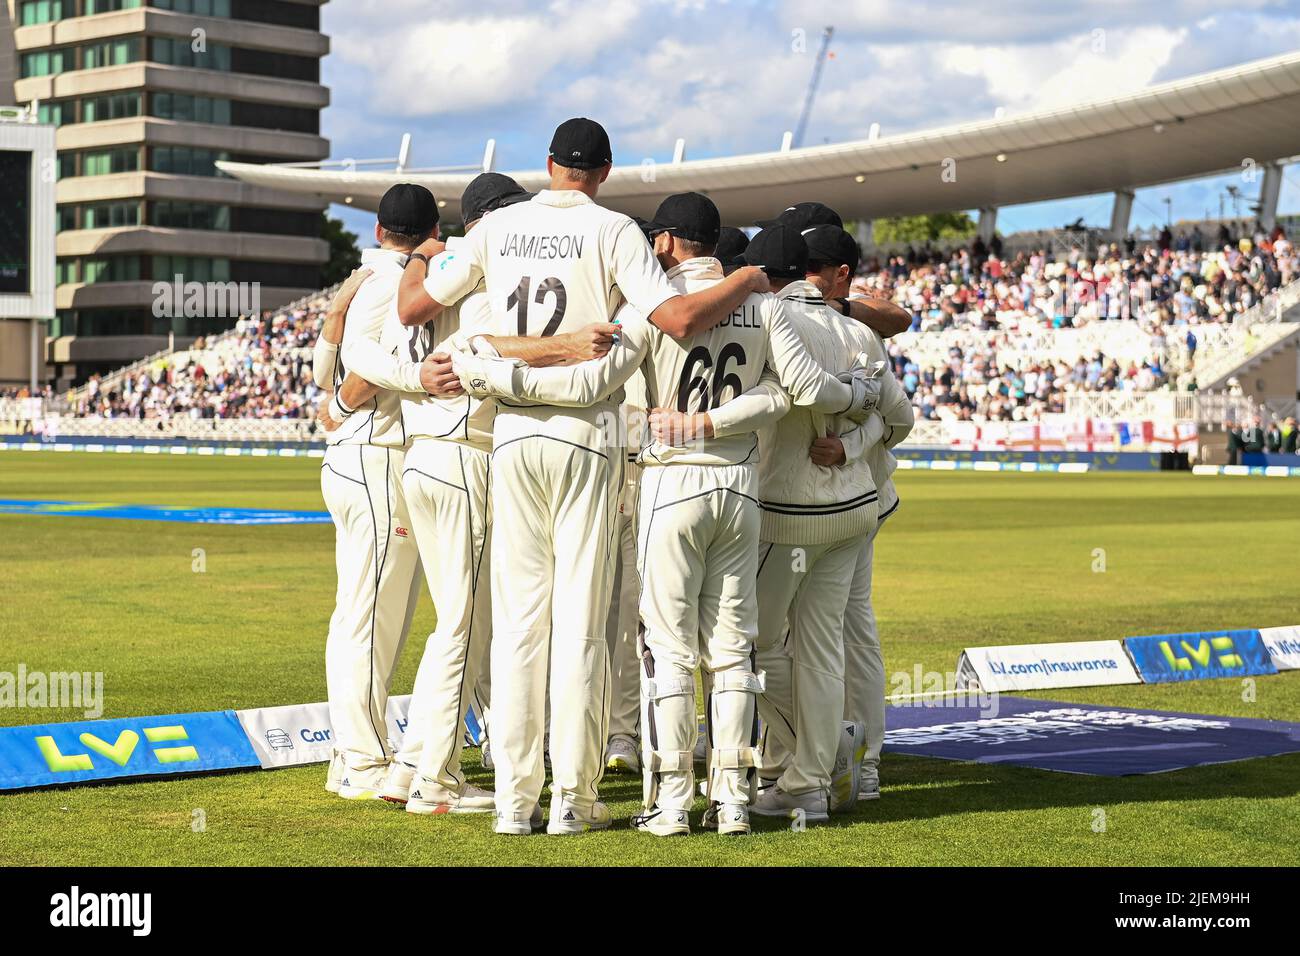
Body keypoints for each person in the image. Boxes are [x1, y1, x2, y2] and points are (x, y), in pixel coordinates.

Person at [444, 192, 885, 836]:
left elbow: (598, 382)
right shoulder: (760, 305)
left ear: (672, 243)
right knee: (734, 652)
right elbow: (791, 392)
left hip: (670, 481)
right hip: (739, 486)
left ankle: (673, 800)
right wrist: (736, 418)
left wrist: (490, 368)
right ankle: (732, 800)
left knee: (670, 650)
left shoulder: (647, 308)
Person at [404, 117, 772, 836]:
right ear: (604, 171)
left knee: (517, 625)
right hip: (587, 433)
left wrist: (500, 363)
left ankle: (515, 804)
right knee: (581, 626)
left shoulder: (491, 231)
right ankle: (572, 799)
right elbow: (673, 317)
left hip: (510, 431)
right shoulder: (615, 232)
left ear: (546, 164)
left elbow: (422, 309)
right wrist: (748, 278)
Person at [745, 225, 909, 823]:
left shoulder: (769, 318)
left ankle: (819, 755)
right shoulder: (861, 331)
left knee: (752, 646)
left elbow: (805, 391)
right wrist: (857, 443)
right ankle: (810, 783)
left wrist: (844, 429)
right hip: (853, 512)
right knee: (819, 646)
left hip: (789, 513)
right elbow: (902, 417)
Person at [314, 185, 433, 800]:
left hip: (354, 459)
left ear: (381, 226)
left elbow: (322, 369)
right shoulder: (395, 283)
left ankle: (350, 754)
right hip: (377, 456)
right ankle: (361, 761)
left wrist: (333, 327)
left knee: (364, 615)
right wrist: (343, 401)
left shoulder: (363, 276)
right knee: (371, 621)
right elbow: (361, 375)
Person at [803, 224, 914, 802]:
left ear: (839, 271)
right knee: (824, 634)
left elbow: (900, 416)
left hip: (846, 501)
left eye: (810, 262)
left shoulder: (852, 324)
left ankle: (850, 765)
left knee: (840, 631)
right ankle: (830, 764)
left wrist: (852, 442)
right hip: (818, 503)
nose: (799, 272)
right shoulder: (798, 315)